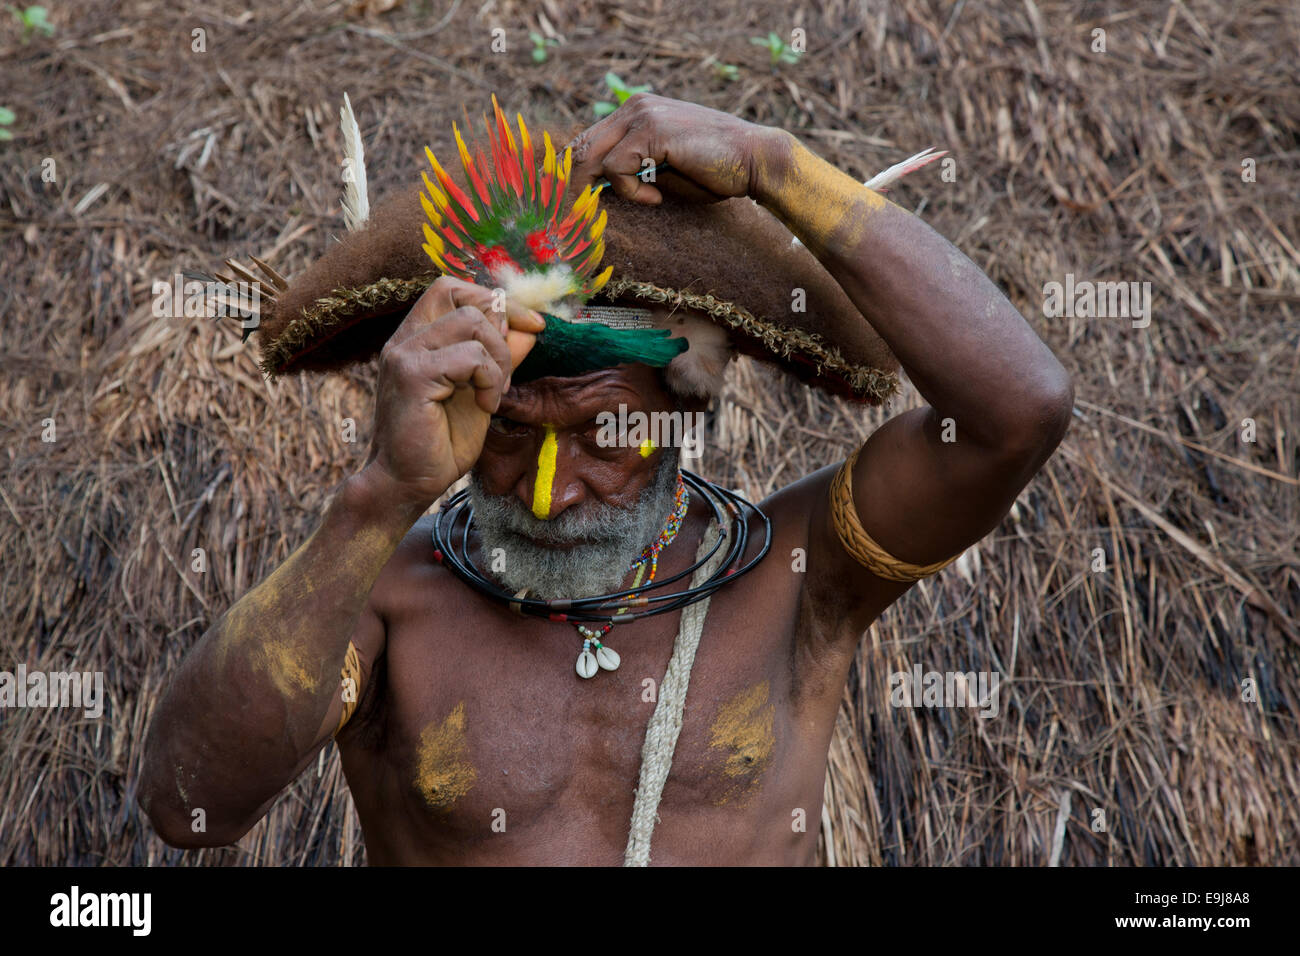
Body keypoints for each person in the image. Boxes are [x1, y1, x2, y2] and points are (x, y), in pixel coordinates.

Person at [139, 94, 1072, 865]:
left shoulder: (800, 578)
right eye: (504, 432)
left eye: (603, 434)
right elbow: (190, 811)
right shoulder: (380, 595)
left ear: (683, 411)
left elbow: (1016, 413)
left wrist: (774, 164)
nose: (551, 492)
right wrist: (383, 492)